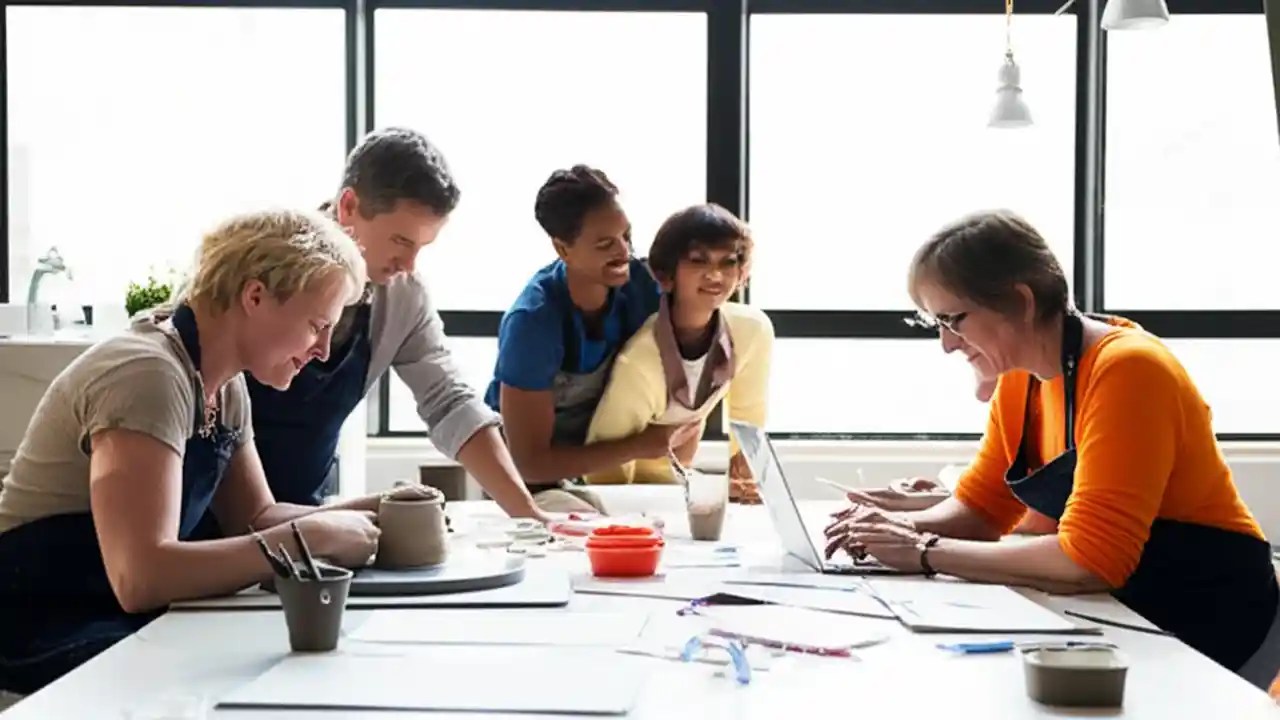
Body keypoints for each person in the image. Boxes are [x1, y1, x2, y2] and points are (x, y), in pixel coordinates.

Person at [824, 209, 1280, 684]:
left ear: (1020, 302)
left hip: (1210, 616)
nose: (946, 344)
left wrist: (923, 549)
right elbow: (980, 509)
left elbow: (1090, 560)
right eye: (934, 323)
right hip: (1128, 607)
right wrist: (885, 529)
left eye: (953, 320)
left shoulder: (1128, 370)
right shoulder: (1021, 379)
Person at [0, 209, 388, 694]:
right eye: (316, 325)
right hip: (41, 620)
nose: (324, 351)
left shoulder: (223, 387)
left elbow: (258, 517)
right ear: (255, 296)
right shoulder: (148, 374)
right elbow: (140, 577)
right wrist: (306, 538)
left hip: (104, 608)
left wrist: (377, 511)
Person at [236, 128, 545, 524]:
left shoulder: (402, 297)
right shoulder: (262, 267)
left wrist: (529, 515)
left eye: (421, 247)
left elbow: (449, 401)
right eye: (400, 240)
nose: (409, 264)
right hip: (203, 518)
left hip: (298, 518)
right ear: (348, 206)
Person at [485, 165, 700, 512]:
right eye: (605, 244)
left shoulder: (643, 287)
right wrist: (640, 446)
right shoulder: (533, 323)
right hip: (529, 485)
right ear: (563, 249)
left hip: (604, 467)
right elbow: (527, 462)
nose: (624, 252)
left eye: (626, 237)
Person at [582, 203, 771, 502]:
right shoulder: (641, 360)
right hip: (616, 487)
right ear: (666, 274)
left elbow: (748, 421)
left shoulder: (752, 331)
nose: (716, 274)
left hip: (675, 477)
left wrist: (746, 481)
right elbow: (607, 472)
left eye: (729, 262)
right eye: (699, 261)